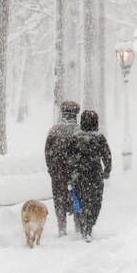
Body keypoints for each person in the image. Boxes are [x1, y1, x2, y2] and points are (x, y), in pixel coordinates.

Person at [69, 110, 112, 243]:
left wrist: (71, 172)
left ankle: (81, 224)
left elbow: (68, 157)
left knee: (78, 201)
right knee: (95, 202)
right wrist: (107, 170)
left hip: (79, 175)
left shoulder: (75, 137)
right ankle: (89, 225)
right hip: (94, 176)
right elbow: (107, 155)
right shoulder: (99, 138)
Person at [45, 100, 80, 236]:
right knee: (77, 197)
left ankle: (62, 227)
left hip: (58, 172)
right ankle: (78, 226)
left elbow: (47, 151)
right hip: (76, 172)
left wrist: (51, 169)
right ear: (75, 114)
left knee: (59, 198)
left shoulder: (54, 130)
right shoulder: (79, 130)